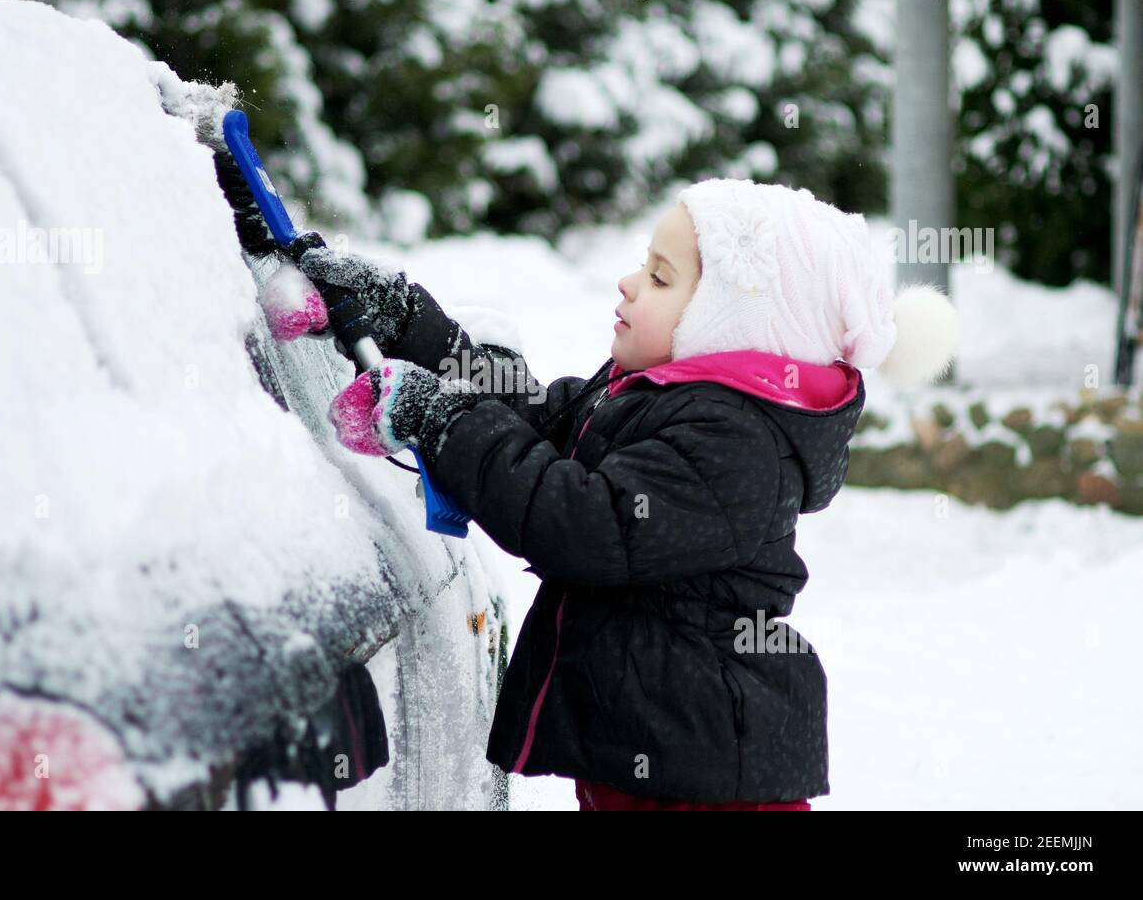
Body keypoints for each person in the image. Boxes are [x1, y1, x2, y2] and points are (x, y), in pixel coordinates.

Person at [262, 177, 961, 810]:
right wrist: (411, 324)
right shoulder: (661, 398)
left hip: (704, 780)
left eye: (661, 277)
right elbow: (535, 417)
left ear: (734, 327)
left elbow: (586, 521)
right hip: (655, 761)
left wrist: (441, 418)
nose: (629, 284)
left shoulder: (736, 444)